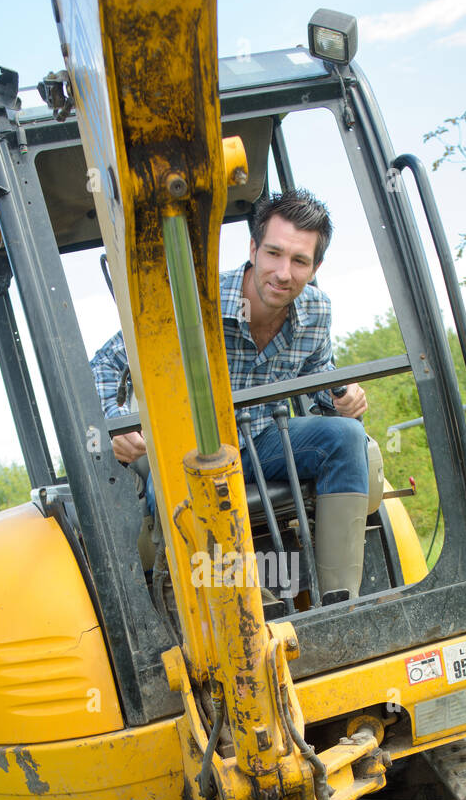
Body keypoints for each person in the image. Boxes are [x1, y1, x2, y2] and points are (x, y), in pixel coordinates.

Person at [91, 187, 371, 600]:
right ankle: (248, 609)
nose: (283, 272)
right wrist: (112, 421)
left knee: (347, 439)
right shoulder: (190, 304)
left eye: (299, 261)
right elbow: (104, 364)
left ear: (316, 266)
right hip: (189, 450)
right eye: (274, 253)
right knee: (169, 487)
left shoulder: (317, 312)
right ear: (253, 248)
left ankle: (340, 605)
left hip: (261, 441)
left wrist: (342, 398)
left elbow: (318, 376)